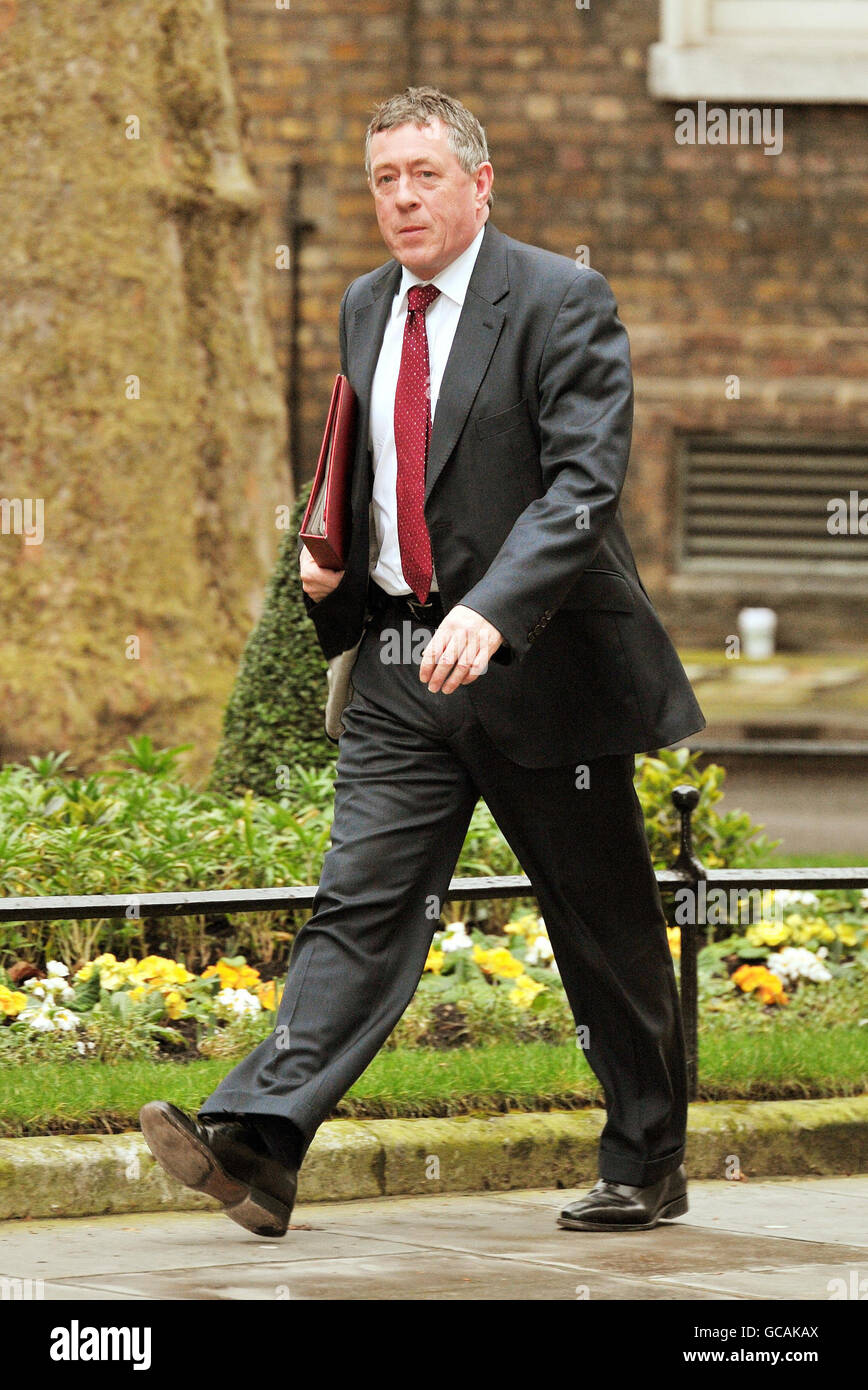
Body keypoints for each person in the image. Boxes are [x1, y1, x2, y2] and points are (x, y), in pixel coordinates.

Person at [141, 86, 705, 1239]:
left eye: (423, 175)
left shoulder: (560, 298)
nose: (400, 198)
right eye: (383, 179)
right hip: (403, 658)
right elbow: (375, 456)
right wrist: (335, 571)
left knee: (600, 923)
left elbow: (582, 486)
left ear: (477, 184)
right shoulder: (363, 303)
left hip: (540, 663)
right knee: (361, 902)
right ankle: (260, 1140)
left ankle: (646, 1157)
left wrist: (495, 609)